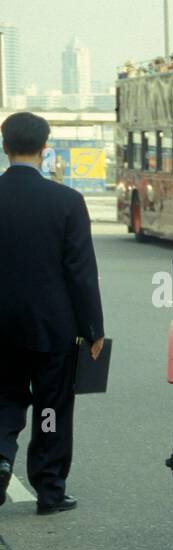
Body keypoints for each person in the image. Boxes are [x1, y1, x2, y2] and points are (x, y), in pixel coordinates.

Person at [0, 113, 105, 515]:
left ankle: (1, 455)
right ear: (46, 149)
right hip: (52, 328)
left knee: (5, 398)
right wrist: (92, 327)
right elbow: (80, 272)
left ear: (4, 146)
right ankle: (49, 490)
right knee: (49, 408)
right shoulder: (67, 201)